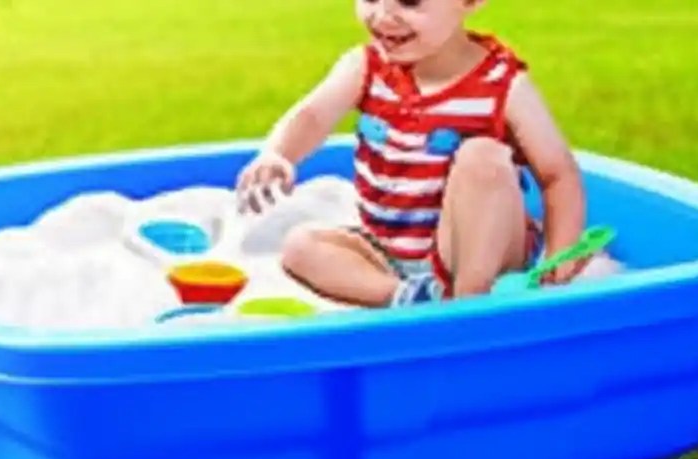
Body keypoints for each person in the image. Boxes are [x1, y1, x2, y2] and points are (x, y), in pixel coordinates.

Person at [235, 0, 591, 307]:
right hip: (387, 251)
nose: (382, 16)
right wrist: (279, 153)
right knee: (301, 247)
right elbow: (312, 115)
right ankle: (411, 297)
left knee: (482, 158)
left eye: (409, 2)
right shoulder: (367, 67)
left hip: (479, 247)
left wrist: (559, 260)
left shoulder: (503, 84)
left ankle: (467, 304)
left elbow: (557, 174)